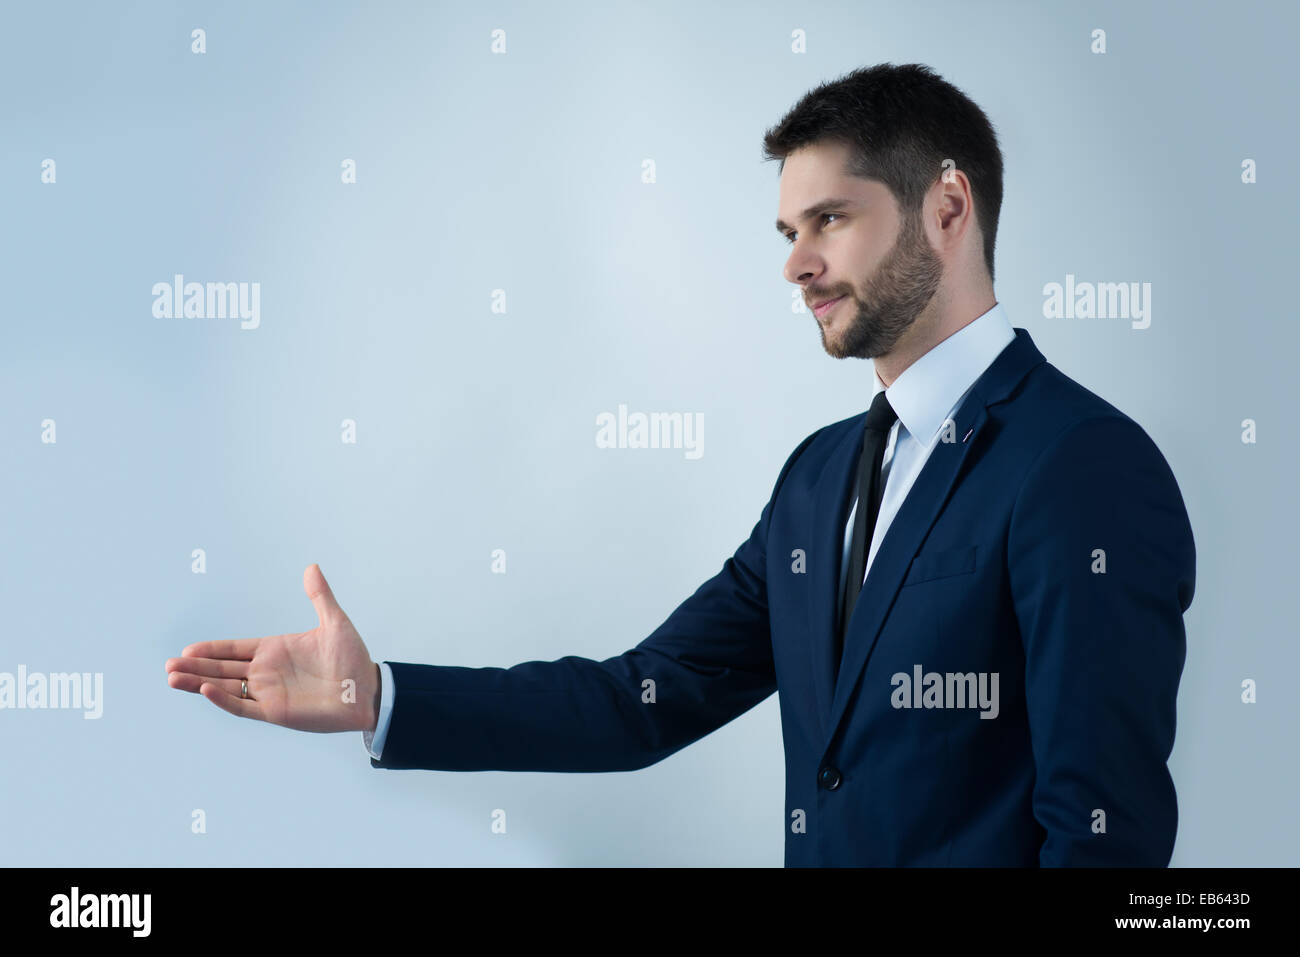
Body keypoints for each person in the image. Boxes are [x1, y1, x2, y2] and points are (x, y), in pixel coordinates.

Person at [165, 63, 1195, 866]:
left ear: (947, 208)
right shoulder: (818, 479)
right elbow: (641, 698)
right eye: (789, 230)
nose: (795, 262)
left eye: (830, 218)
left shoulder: (1081, 466)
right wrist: (380, 697)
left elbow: (1103, 836)